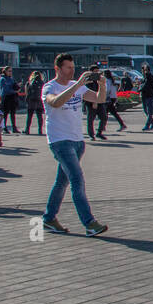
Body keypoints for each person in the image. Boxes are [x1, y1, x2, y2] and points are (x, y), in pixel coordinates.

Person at [41, 53, 108, 236]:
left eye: (73, 67)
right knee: (77, 180)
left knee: (61, 182)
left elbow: (99, 99)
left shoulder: (76, 87)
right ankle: (89, 223)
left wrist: (102, 85)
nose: (72, 71)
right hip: (60, 141)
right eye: (68, 67)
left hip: (77, 141)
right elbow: (55, 102)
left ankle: (48, 218)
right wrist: (78, 85)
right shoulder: (49, 87)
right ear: (58, 69)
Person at [0, 67, 19, 133]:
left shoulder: (11, 79)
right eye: (9, 71)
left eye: (11, 71)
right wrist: (14, 91)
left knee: (13, 113)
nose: (10, 72)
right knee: (5, 113)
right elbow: (6, 89)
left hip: (12, 97)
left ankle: (14, 127)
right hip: (6, 97)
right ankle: (4, 127)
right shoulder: (3, 79)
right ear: (5, 71)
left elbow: (14, 86)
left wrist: (17, 86)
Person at [140, 65, 153, 131]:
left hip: (149, 95)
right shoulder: (145, 77)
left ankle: (147, 125)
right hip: (144, 95)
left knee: (149, 111)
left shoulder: (149, 76)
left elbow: (146, 85)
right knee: (146, 111)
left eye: (144, 70)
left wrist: (140, 89)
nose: (142, 71)